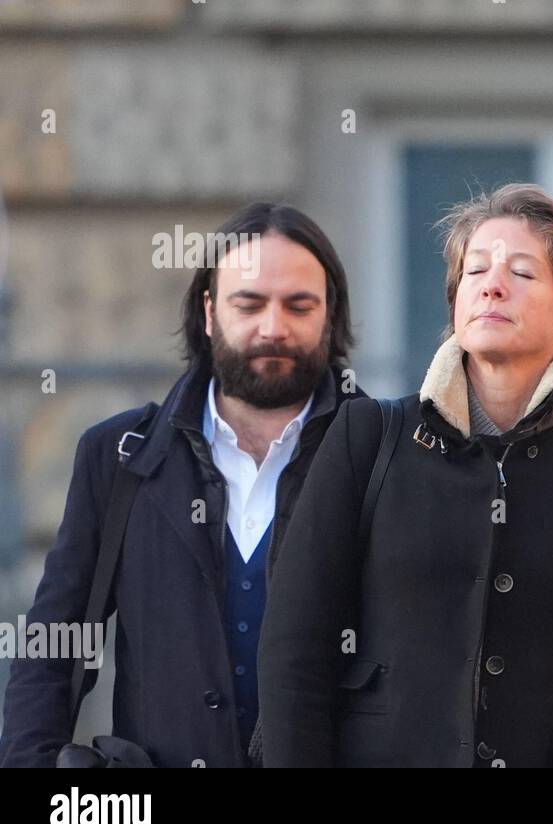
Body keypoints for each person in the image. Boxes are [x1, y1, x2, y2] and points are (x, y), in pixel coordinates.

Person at [259, 183, 553, 767]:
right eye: (475, 269)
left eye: (523, 272)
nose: (492, 283)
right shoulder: (367, 436)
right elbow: (293, 651)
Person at [0, 203, 362, 767]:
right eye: (250, 303)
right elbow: (53, 645)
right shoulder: (119, 458)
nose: (273, 327)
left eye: (298, 305)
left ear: (329, 315)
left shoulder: (386, 455)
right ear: (211, 312)